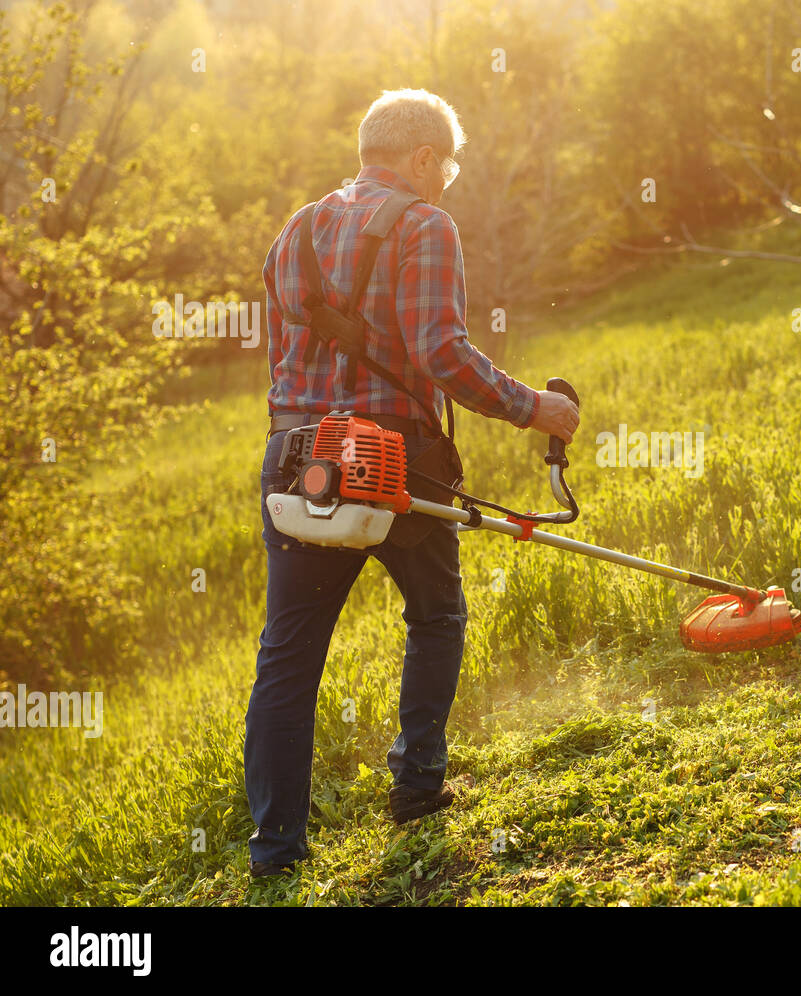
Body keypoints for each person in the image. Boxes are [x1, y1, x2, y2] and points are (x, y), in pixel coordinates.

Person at [245, 89, 579, 877]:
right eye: (448, 168)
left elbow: (278, 360)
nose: (447, 182)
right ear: (423, 158)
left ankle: (274, 852)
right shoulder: (426, 223)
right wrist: (540, 411)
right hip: (392, 460)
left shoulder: (297, 227)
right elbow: (442, 353)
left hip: (298, 457)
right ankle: (418, 784)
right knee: (436, 614)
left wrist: (298, 438)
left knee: (287, 656)